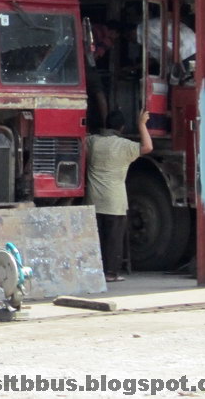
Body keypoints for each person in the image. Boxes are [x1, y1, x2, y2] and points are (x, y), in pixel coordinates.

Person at [85, 110, 152, 282]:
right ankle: (111, 273)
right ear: (121, 127)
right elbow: (148, 147)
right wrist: (141, 124)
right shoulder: (124, 145)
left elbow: (80, 141)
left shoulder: (93, 141)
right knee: (113, 239)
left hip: (94, 199)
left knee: (97, 237)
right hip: (115, 201)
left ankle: (95, 270)